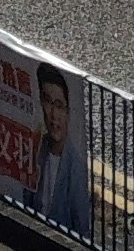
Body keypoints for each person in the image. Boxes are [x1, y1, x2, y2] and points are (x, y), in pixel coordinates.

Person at [29, 65, 91, 241]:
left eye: (59, 105)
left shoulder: (76, 167)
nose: (53, 114)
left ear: (68, 111)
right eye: (47, 101)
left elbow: (82, 227)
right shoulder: (36, 149)